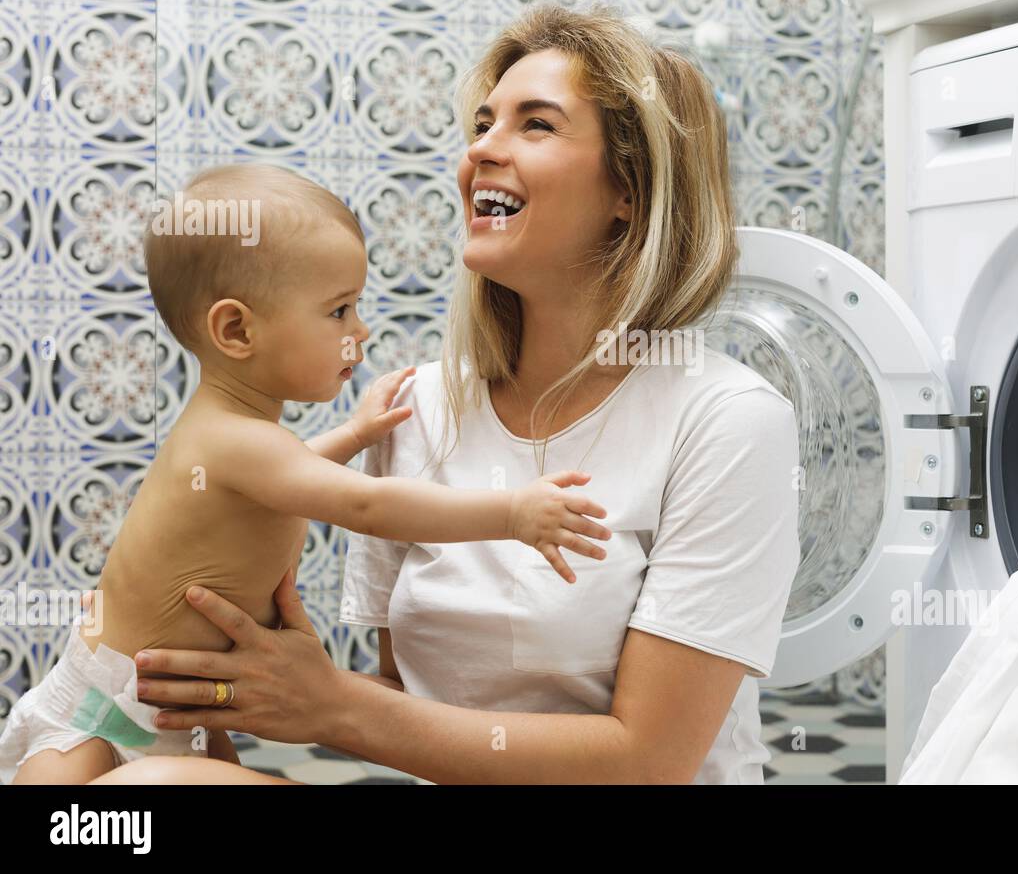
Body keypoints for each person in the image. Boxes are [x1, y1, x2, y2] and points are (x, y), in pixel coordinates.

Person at [88, 3, 801, 785]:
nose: (481, 149)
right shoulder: (420, 407)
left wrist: (329, 706)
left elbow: (649, 761)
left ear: (629, 189)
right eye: (484, 122)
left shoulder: (729, 421)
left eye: (535, 125)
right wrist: (248, 685)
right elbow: (408, 700)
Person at [0, 164, 609, 785]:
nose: (359, 331)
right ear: (237, 330)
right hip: (99, 714)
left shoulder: (243, 442)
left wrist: (354, 434)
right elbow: (367, 506)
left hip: (177, 723)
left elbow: (287, 481)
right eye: (338, 311)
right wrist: (509, 515)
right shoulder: (232, 440)